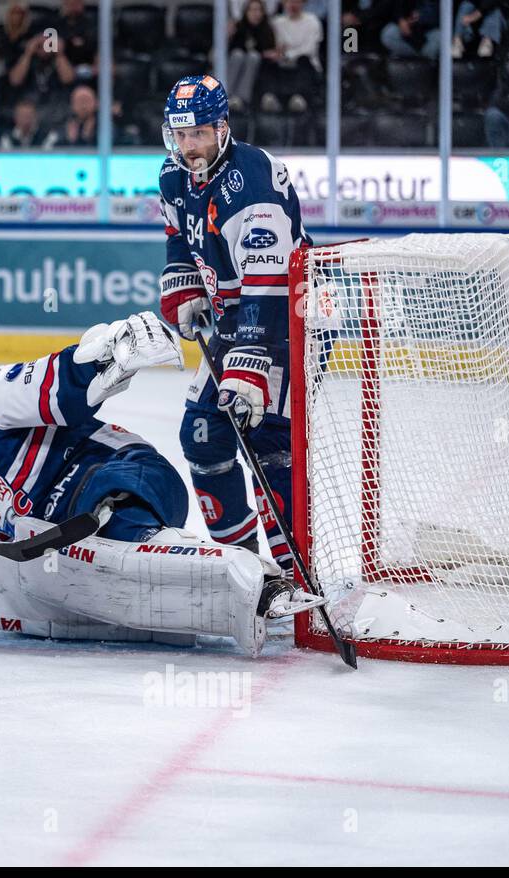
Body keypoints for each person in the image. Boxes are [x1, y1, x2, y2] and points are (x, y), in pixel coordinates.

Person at [0, 316, 317, 655]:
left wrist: (103, 353)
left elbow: (48, 385)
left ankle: (263, 581)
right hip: (77, 523)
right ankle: (200, 580)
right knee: (103, 547)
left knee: (123, 528)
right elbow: (14, 536)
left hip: (122, 472)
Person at [156, 74, 308, 569]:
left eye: (197, 133)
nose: (187, 146)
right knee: (202, 435)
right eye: (179, 135)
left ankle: (298, 573)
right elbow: (179, 233)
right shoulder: (173, 175)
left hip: (288, 328)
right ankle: (240, 567)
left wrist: (251, 367)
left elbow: (268, 287)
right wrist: (182, 279)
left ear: (223, 127)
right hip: (230, 325)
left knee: (270, 450)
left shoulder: (253, 182)